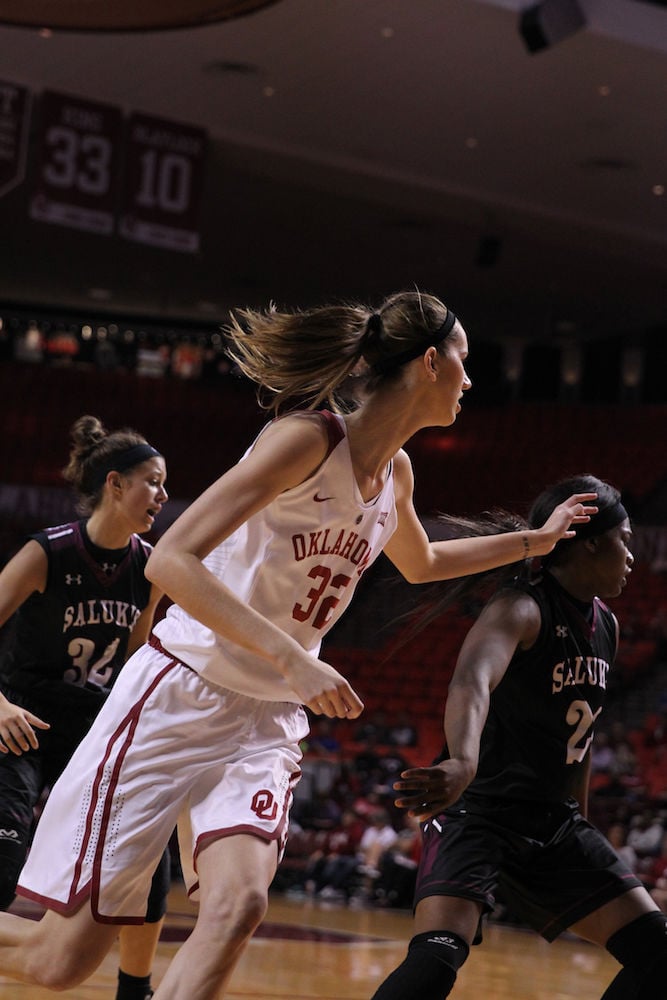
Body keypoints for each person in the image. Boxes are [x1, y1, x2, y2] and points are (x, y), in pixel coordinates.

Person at [0, 291, 595, 999]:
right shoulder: (306, 440)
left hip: (267, 716)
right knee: (59, 964)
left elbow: (422, 563)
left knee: (240, 905)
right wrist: (291, 654)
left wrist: (538, 540)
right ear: (429, 362)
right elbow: (171, 561)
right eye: (462, 362)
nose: (469, 381)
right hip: (182, 689)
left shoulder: (396, 472)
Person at [370, 474, 667, 1000]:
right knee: (438, 956)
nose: (631, 557)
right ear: (590, 543)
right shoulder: (521, 606)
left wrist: (582, 821)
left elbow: (583, 731)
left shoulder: (607, 626)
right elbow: (472, 679)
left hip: (554, 822)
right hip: (479, 810)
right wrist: (462, 759)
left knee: (659, 953)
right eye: (624, 541)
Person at [0, 414, 169, 1000]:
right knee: (4, 865)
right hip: (21, 715)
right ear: (115, 484)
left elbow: (138, 660)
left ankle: (135, 987)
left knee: (151, 838)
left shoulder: (152, 567)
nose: (163, 496)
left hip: (92, 723)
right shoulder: (47, 552)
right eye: (153, 481)